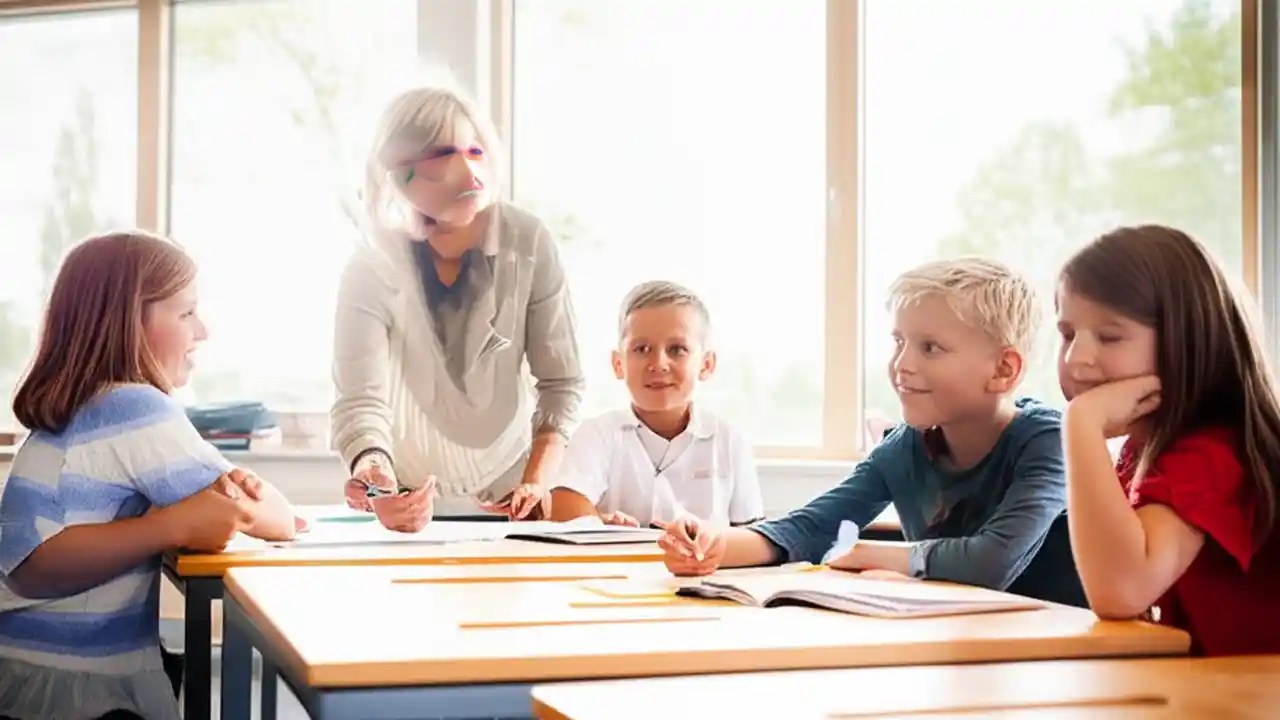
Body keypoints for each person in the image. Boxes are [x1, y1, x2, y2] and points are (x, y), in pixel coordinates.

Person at [658, 258, 1085, 607]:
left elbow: (994, 561)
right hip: (959, 640)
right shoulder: (905, 447)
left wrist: (872, 553)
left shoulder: (1048, 441)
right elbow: (811, 527)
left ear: (1003, 369)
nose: (902, 364)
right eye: (899, 342)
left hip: (1074, 658)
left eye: (930, 348)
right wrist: (713, 546)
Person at [0, 232, 298, 720]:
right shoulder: (134, 408)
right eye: (186, 313)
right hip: (80, 689)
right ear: (128, 323)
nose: (202, 331)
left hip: (23, 671)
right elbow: (275, 521)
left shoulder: (75, 410)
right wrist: (189, 516)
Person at [332, 86, 585, 528]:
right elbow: (360, 402)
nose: (470, 175)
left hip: (513, 503)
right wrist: (375, 481)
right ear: (396, 173)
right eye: (443, 156)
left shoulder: (528, 242)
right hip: (407, 505)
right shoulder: (371, 265)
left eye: (475, 151)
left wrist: (537, 482)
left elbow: (561, 383)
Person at [1057, 225, 1280, 655]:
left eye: (1109, 336)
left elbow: (1120, 592)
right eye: (1068, 333)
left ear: (1185, 339)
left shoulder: (1211, 454)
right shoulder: (1140, 452)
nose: (1075, 358)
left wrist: (1081, 425)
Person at [549, 281, 763, 528]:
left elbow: (751, 533)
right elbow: (564, 504)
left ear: (706, 365)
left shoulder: (728, 440)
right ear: (618, 364)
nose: (659, 363)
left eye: (677, 349)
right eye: (641, 349)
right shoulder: (597, 434)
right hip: (617, 565)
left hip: (703, 566)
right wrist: (599, 524)